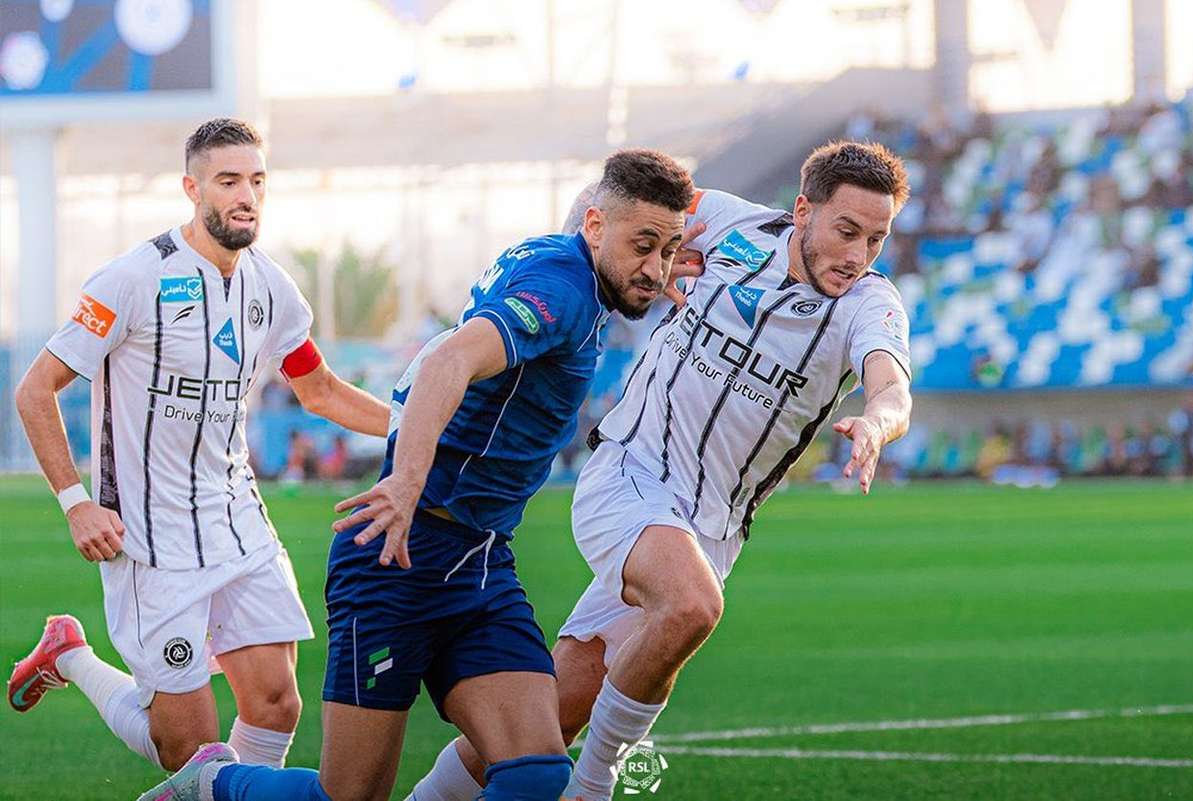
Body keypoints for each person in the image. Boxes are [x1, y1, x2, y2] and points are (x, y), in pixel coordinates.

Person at [137, 148, 700, 801]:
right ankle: (212, 783)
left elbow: (605, 228)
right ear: (596, 227)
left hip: (480, 562)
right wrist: (406, 481)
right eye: (643, 246)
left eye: (668, 250)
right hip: (398, 557)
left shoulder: (567, 261)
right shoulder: (563, 293)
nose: (656, 268)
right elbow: (447, 362)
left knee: (538, 772)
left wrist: (653, 256)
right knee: (350, 796)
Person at [409, 140, 915, 800]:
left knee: (548, 718)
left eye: (875, 239)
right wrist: (636, 265)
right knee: (692, 604)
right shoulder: (727, 221)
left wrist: (877, 420)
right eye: (846, 231)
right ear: (802, 211)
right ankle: (592, 788)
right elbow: (598, 207)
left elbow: (891, 384)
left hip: (712, 530)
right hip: (629, 471)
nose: (857, 254)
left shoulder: (869, 304)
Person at [9, 118, 391, 773]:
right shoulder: (132, 278)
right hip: (149, 535)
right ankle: (70, 655)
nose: (247, 196)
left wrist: (419, 425)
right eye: (228, 181)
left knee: (276, 704)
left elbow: (321, 390)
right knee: (185, 750)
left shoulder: (271, 287)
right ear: (193, 189)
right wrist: (76, 502)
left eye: (257, 182)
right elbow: (34, 389)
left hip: (237, 517)